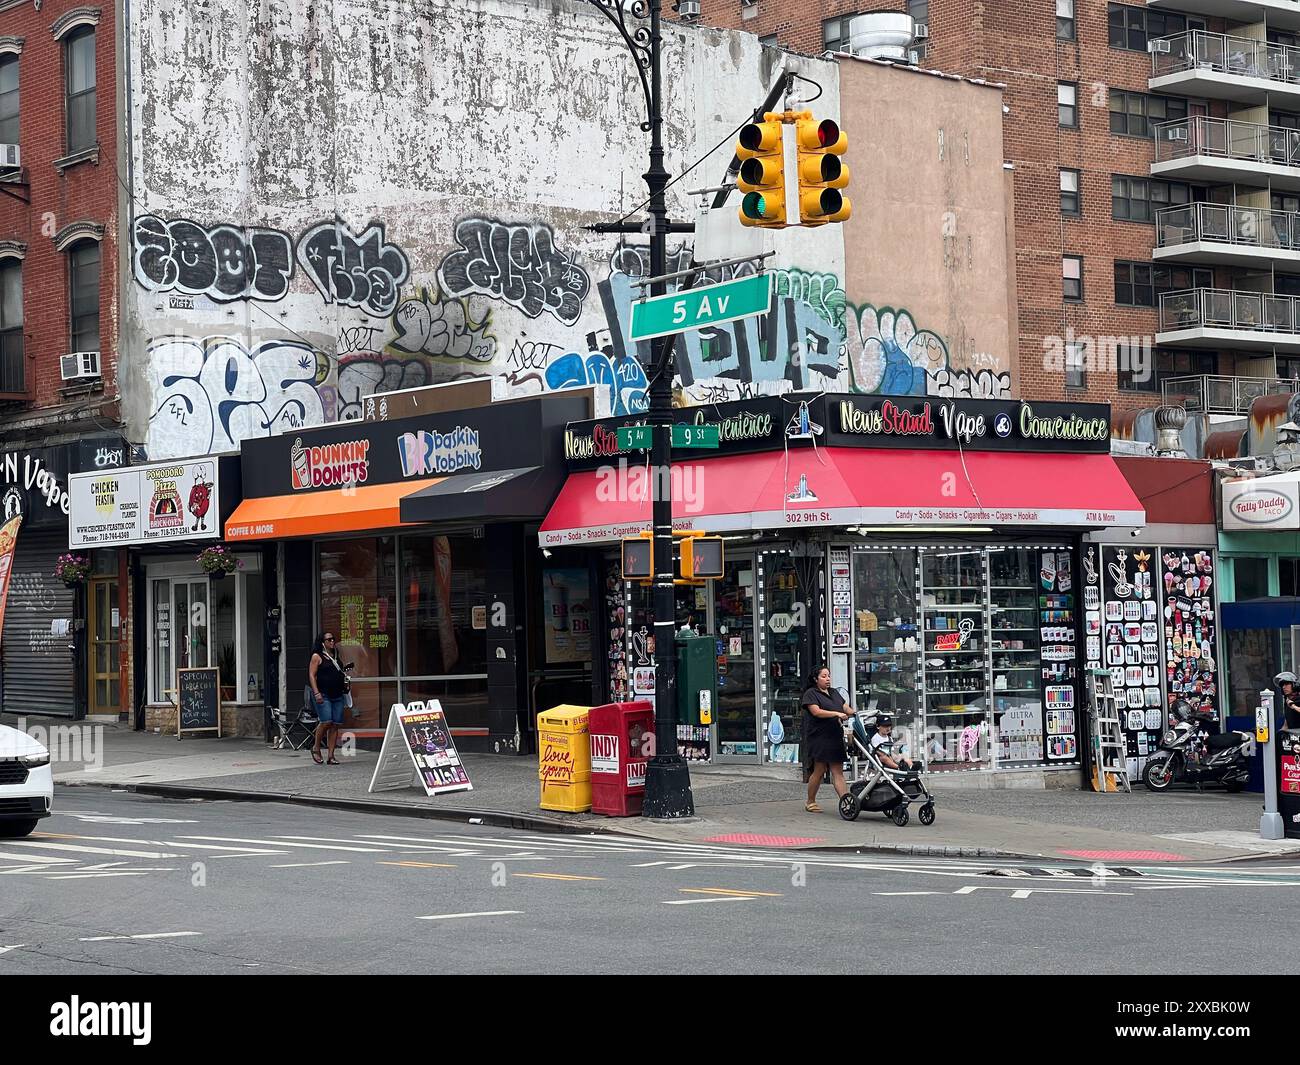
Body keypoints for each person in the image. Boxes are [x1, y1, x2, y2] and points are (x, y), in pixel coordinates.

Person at [801, 666, 854, 813]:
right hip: (819, 736)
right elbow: (816, 712)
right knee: (820, 769)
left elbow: (845, 708)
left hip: (835, 735)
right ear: (815, 679)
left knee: (838, 771)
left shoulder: (834, 692)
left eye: (828, 676)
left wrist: (855, 713)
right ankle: (810, 801)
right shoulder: (811, 694)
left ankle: (847, 803)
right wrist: (836, 714)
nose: (828, 678)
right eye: (824, 676)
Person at [309, 632, 348, 765]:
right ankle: (316, 747)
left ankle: (331, 756)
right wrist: (316, 693)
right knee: (326, 721)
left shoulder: (335, 655)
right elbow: (312, 675)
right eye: (329, 639)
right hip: (323, 693)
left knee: (335, 724)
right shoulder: (317, 656)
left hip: (337, 694)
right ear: (322, 642)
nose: (332, 641)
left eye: (333, 639)